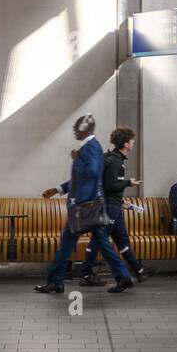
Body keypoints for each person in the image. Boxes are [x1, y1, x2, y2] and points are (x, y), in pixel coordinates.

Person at [35, 114, 134, 295]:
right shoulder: (90, 147)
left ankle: (55, 282)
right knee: (100, 243)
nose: (74, 131)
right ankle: (123, 276)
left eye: (76, 128)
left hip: (84, 206)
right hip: (88, 205)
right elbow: (81, 179)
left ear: (84, 129)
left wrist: (77, 160)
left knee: (67, 244)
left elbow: (91, 173)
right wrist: (58, 189)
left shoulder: (91, 147)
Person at [81, 126, 146, 284]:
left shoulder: (111, 158)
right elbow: (111, 185)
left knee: (122, 239)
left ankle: (139, 271)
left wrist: (121, 199)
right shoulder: (116, 162)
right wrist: (128, 183)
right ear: (125, 144)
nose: (133, 143)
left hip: (113, 205)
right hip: (109, 208)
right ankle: (86, 273)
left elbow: (105, 185)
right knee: (98, 239)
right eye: (131, 141)